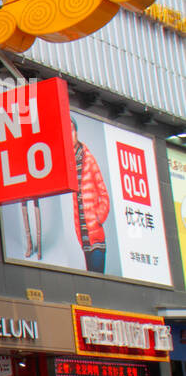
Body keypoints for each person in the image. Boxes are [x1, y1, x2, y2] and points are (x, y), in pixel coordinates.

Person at [72, 116, 110, 272]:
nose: (69, 134)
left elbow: (104, 194)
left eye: (72, 130)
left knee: (98, 285)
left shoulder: (88, 159)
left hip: (96, 240)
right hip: (84, 239)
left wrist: (98, 218)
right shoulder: (70, 162)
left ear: (77, 132)